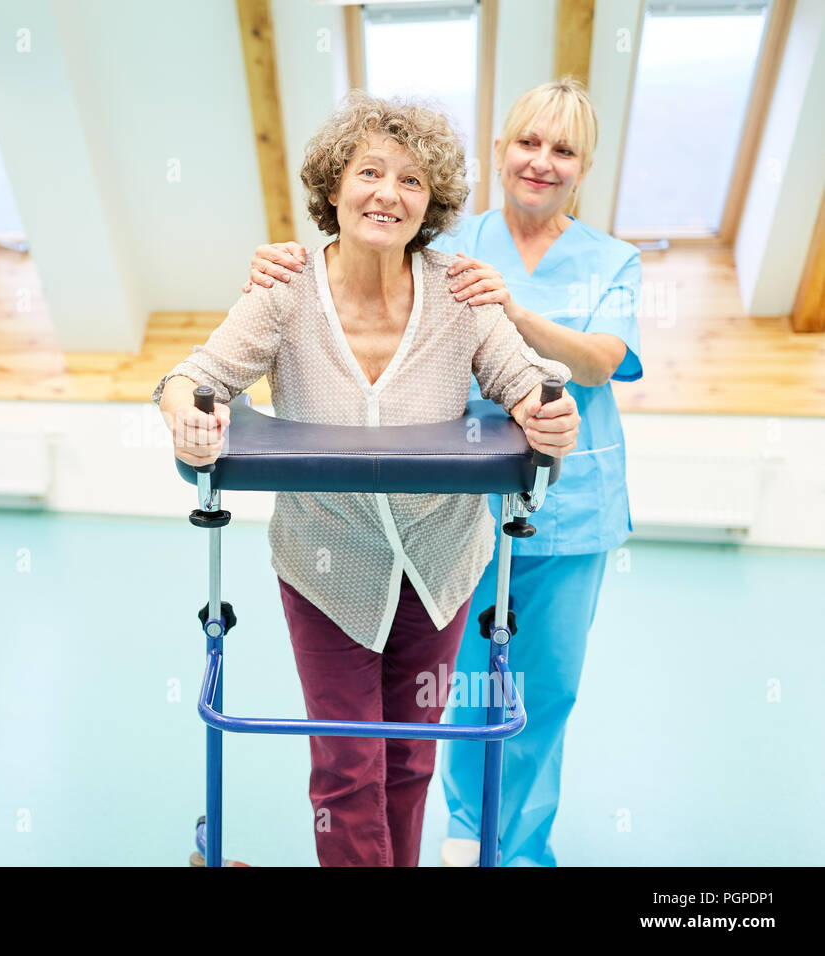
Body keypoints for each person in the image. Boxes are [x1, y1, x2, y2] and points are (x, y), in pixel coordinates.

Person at [153, 91, 579, 867]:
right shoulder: (283, 290)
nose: (388, 193)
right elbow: (191, 378)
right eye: (370, 172)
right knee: (349, 767)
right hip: (326, 566)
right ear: (334, 187)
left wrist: (550, 417)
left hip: (442, 563)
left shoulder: (459, 291)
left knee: (412, 759)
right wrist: (187, 414)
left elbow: (526, 382)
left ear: (432, 204)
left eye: (412, 181)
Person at [241, 78, 642, 867]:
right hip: (449, 503)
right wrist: (284, 260)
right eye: (528, 142)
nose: (542, 161)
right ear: (499, 153)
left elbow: (604, 360)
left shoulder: (611, 259)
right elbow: (361, 254)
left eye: (564, 150)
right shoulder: (449, 245)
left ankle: (518, 854)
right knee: (447, 698)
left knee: (539, 695)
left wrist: (515, 315)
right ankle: (463, 837)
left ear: (583, 167)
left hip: (572, 499)